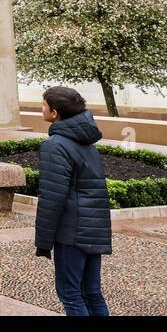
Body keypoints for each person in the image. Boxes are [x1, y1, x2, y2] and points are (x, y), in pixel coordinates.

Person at [35, 86, 111, 316]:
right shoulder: (86, 141)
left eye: (44, 105)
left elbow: (52, 198)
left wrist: (43, 241)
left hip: (71, 232)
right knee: (92, 292)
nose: (42, 108)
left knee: (70, 294)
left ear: (55, 113)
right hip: (93, 228)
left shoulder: (55, 145)